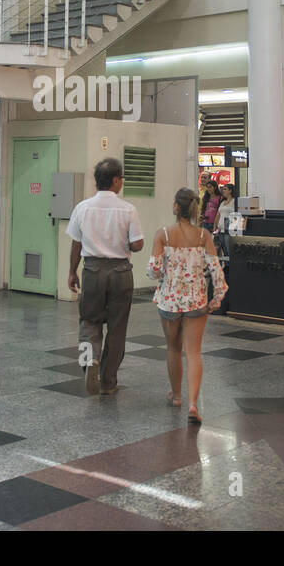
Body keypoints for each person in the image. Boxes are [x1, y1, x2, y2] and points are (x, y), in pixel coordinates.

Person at [148, 187, 228, 424]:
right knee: (193, 352)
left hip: (169, 300)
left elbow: (153, 271)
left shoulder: (163, 234)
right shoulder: (204, 236)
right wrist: (218, 297)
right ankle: (194, 404)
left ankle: (176, 396)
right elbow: (216, 271)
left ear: (175, 207)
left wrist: (165, 273)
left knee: (173, 349)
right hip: (196, 301)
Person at [66, 157, 145, 396]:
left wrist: (72, 271)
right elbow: (138, 244)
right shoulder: (128, 209)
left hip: (91, 270)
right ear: (114, 180)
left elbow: (76, 244)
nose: (121, 182)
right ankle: (109, 381)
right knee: (117, 327)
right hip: (121, 272)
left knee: (88, 321)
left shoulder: (82, 207)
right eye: (121, 178)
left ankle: (89, 362)